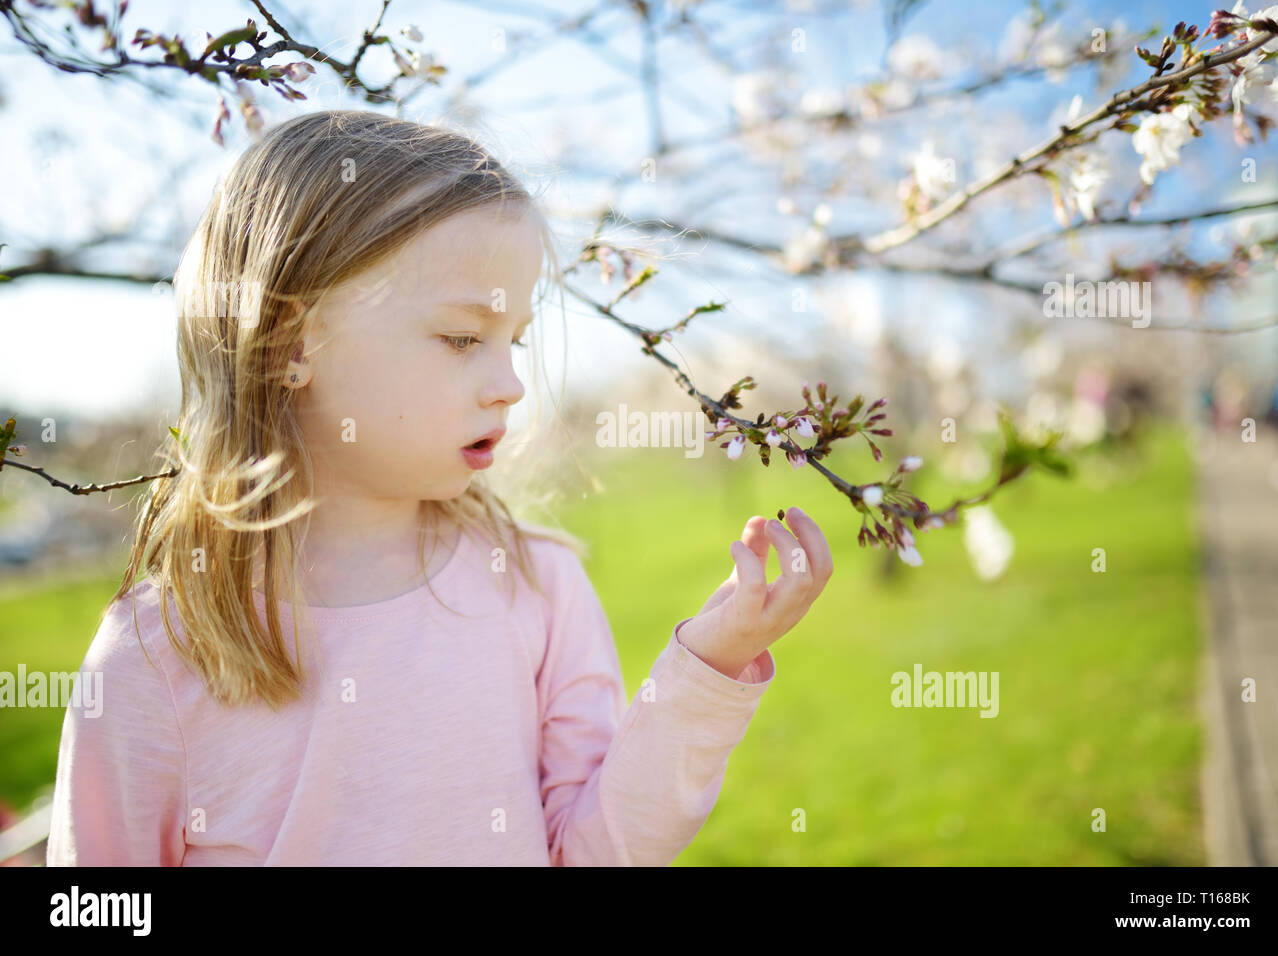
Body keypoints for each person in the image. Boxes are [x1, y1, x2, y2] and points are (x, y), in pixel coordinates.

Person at [44, 110, 833, 866]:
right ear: (291, 341)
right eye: (463, 338)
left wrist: (713, 664)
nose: (510, 384)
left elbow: (597, 851)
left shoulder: (536, 585)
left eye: (513, 340)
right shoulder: (159, 651)